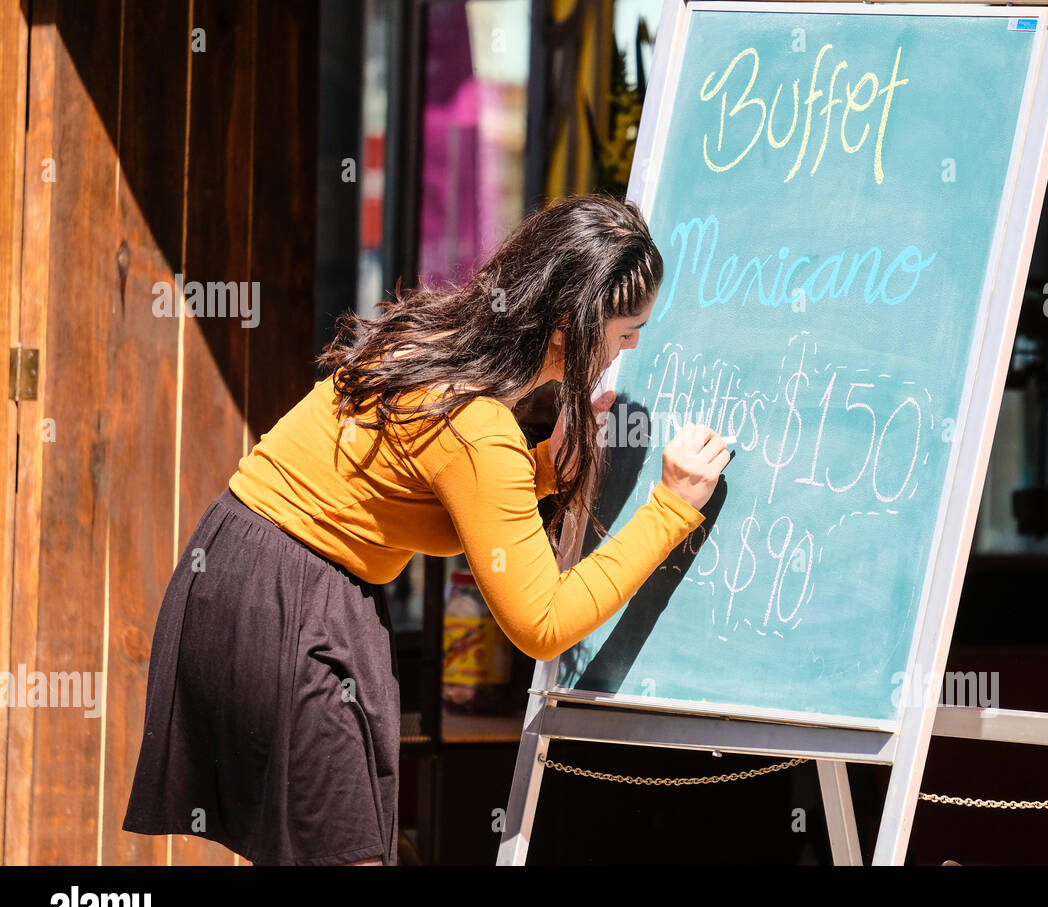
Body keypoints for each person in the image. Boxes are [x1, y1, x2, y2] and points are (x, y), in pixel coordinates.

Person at [121, 193, 732, 865]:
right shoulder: (479, 424)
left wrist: (539, 475)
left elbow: (434, 504)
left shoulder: (437, 345)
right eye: (625, 329)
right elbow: (543, 621)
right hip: (290, 600)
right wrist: (671, 508)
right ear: (569, 326)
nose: (635, 344)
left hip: (240, 568)